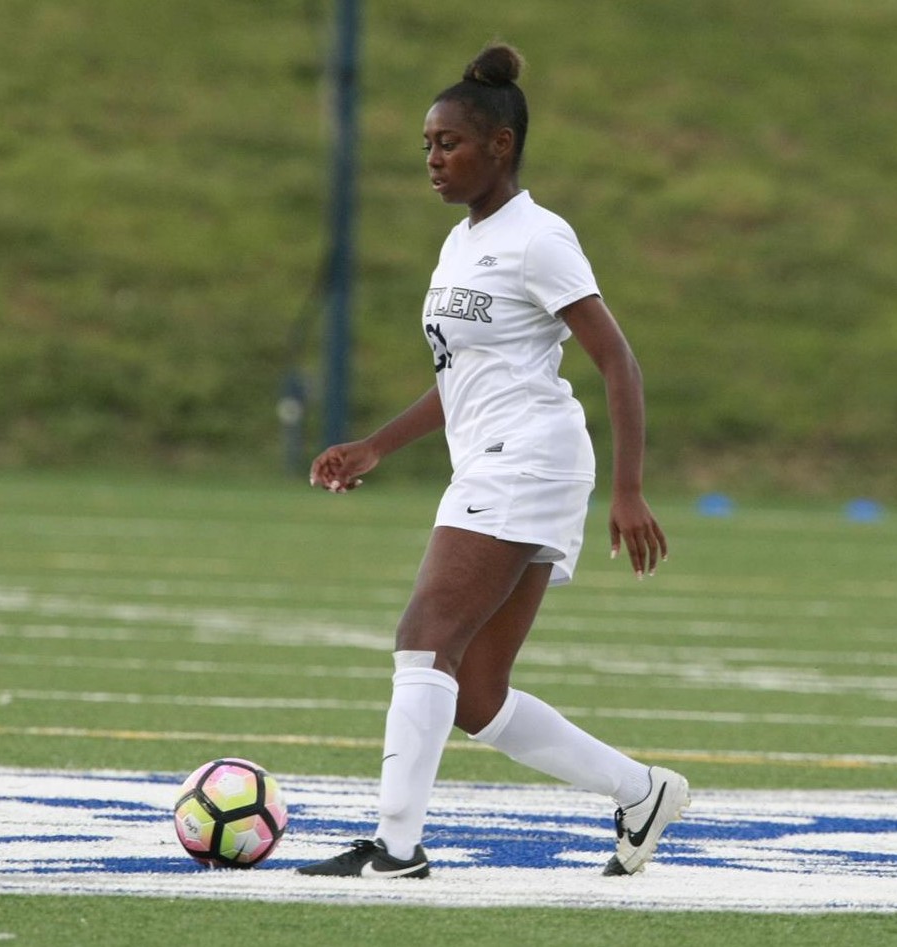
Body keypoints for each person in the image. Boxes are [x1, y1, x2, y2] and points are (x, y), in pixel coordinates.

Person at [297, 42, 687, 880]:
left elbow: (616, 358)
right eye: (427, 146)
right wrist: (375, 446)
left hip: (527, 459)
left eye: (449, 144)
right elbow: (463, 377)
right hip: (500, 460)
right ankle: (640, 789)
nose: (433, 160)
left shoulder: (538, 238)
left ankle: (396, 849)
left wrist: (629, 489)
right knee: (474, 692)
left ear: (499, 146)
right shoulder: (460, 243)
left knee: (422, 636)